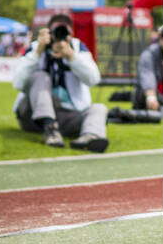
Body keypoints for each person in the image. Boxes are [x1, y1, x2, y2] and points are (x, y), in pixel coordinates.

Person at [13, 12, 109, 152]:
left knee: (99, 108)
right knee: (40, 76)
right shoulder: (36, 48)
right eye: (56, 32)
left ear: (71, 34)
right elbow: (18, 83)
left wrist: (71, 57)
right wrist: (38, 52)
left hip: (67, 115)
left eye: (64, 33)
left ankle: (90, 136)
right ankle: (49, 128)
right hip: (33, 116)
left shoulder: (77, 48)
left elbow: (93, 79)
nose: (59, 36)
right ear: (48, 33)